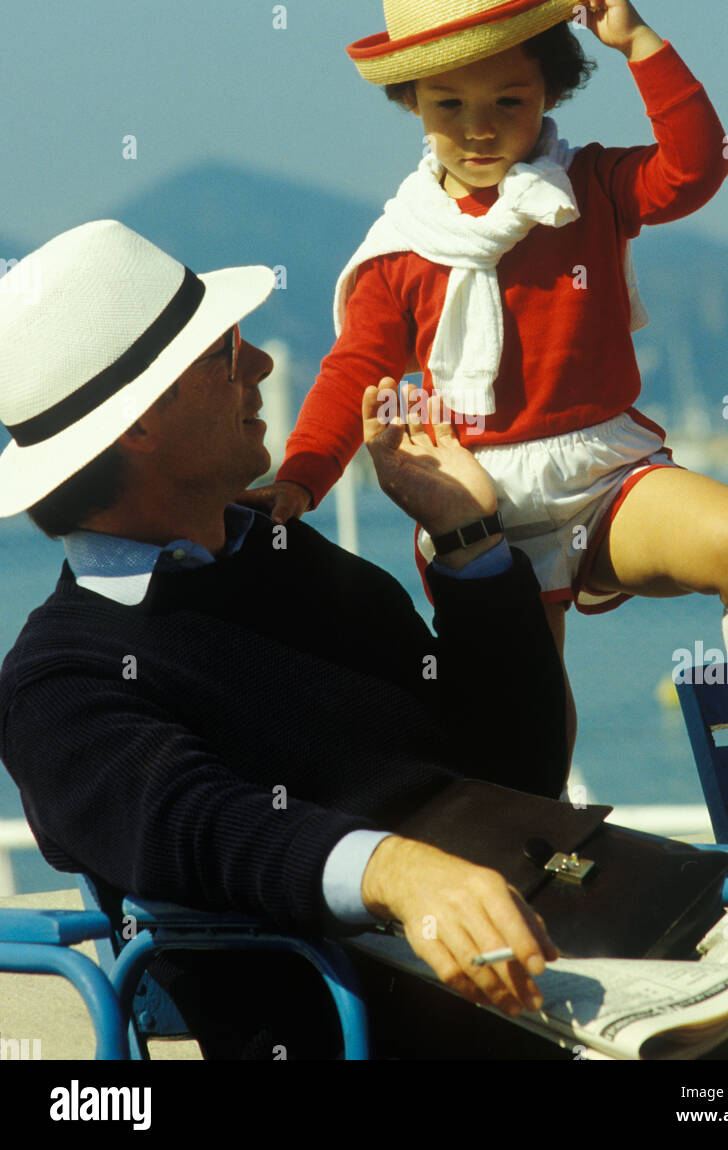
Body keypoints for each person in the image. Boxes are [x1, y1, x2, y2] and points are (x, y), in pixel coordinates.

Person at [253, 0, 728, 813]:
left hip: (604, 470)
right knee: (536, 720)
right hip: (476, 505)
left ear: (552, 86)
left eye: (508, 100)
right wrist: (300, 481)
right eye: (448, 105)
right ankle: (553, 850)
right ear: (412, 104)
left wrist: (641, 46)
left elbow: (694, 171)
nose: (479, 128)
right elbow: (354, 369)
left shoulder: (593, 185)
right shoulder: (398, 248)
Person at [0, 218, 577, 1058]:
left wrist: (468, 544)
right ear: (138, 426)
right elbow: (195, 822)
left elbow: (513, 772)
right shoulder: (59, 682)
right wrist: (401, 874)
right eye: (228, 353)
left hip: (524, 990)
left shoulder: (283, 555)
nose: (263, 366)